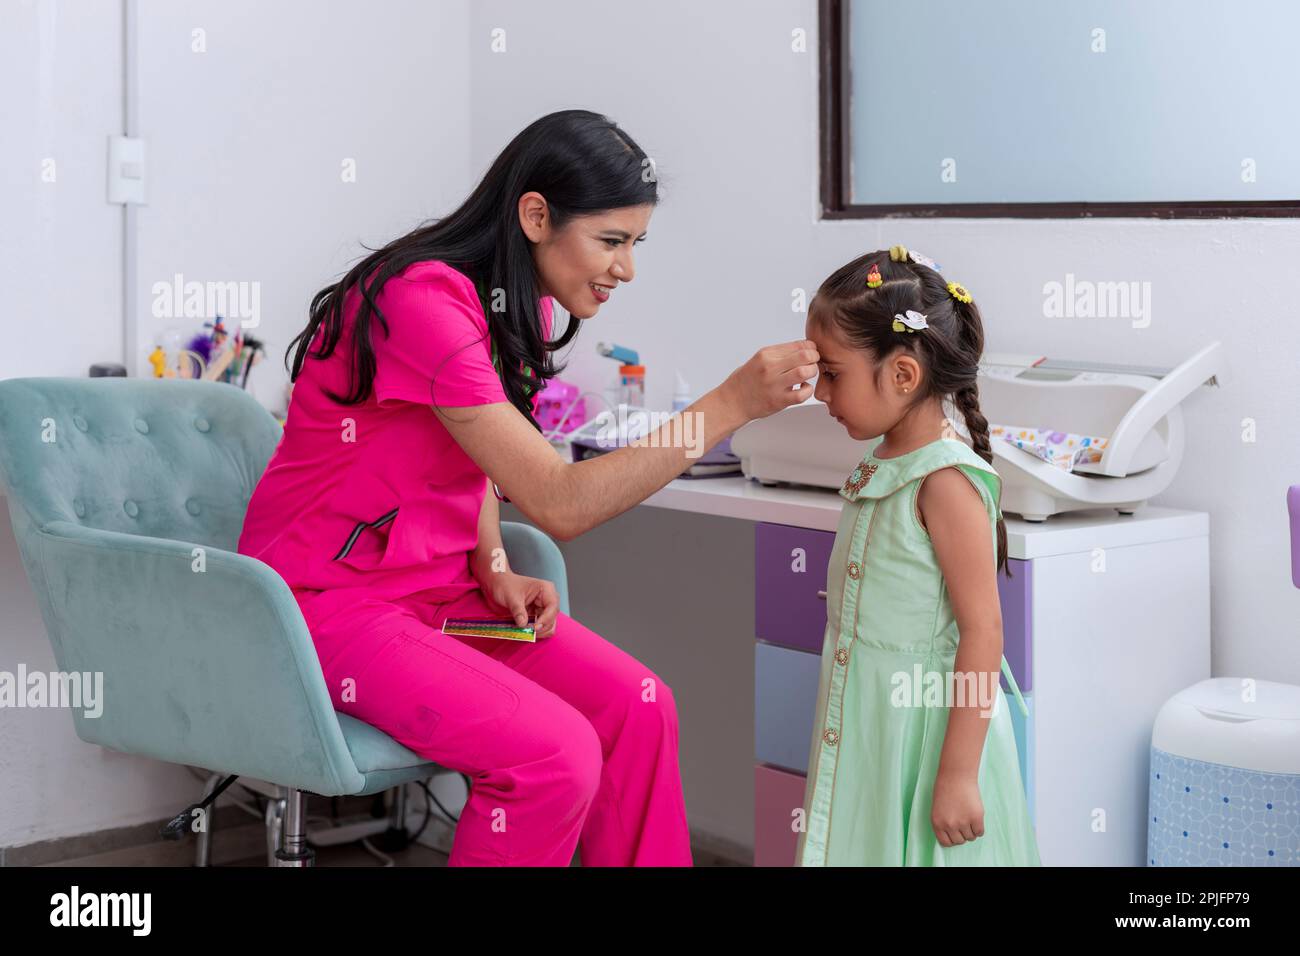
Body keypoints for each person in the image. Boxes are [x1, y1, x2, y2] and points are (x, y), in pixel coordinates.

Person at [236, 109, 820, 866]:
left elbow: (476, 457)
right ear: (537, 216)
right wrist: (730, 405)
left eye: (636, 244)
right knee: (555, 756)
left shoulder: (514, 301)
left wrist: (494, 563)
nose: (626, 269)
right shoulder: (421, 301)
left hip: (437, 595)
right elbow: (557, 502)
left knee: (641, 709)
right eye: (611, 241)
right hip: (327, 602)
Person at [795, 245, 1039, 866]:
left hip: (926, 733)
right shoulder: (884, 463)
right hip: (872, 724)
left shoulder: (945, 481)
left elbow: (983, 630)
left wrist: (958, 775)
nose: (820, 391)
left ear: (902, 375)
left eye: (832, 372)